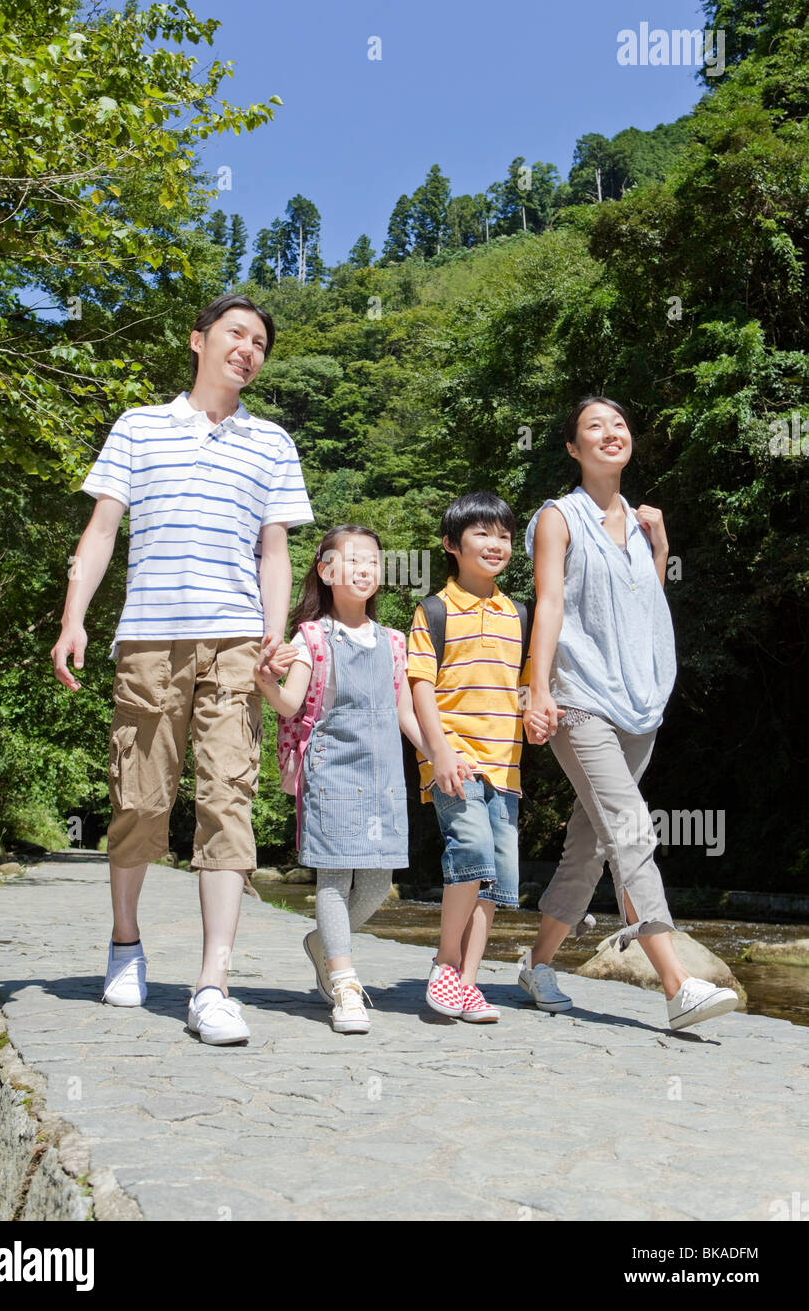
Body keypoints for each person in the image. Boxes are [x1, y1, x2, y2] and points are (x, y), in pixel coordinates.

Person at [50, 293, 313, 1045]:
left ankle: (211, 982)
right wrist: (75, 617)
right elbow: (101, 530)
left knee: (228, 796)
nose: (249, 348)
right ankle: (126, 942)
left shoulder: (272, 443)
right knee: (141, 797)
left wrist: (272, 634)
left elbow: (275, 551)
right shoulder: (138, 425)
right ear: (199, 341)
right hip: (149, 639)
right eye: (237, 333)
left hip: (234, 642)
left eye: (261, 341)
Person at [519, 396, 738, 1031]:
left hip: (640, 701)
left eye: (619, 425)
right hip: (579, 698)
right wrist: (538, 691)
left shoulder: (644, 524)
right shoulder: (559, 518)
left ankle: (536, 965)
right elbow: (552, 605)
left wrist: (661, 546)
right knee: (630, 825)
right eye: (595, 427)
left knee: (590, 846)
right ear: (572, 448)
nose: (611, 434)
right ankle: (677, 984)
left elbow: (640, 610)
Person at [255, 525, 469, 1034]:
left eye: (372, 560)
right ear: (326, 572)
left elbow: (405, 714)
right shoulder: (311, 637)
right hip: (329, 772)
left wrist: (440, 754)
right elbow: (290, 704)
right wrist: (266, 679)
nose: (364, 569)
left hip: (383, 778)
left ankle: (323, 943)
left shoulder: (394, 643)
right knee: (333, 876)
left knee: (376, 884)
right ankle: (344, 981)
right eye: (351, 561)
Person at [407, 493, 529, 1024]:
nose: (495, 544)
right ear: (451, 545)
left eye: (503, 535)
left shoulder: (519, 613)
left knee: (498, 877)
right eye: (482, 534)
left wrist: (540, 714)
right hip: (455, 760)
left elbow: (523, 689)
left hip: (508, 766)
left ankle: (469, 982)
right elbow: (420, 689)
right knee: (471, 850)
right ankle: (445, 963)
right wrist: (439, 752)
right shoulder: (433, 610)